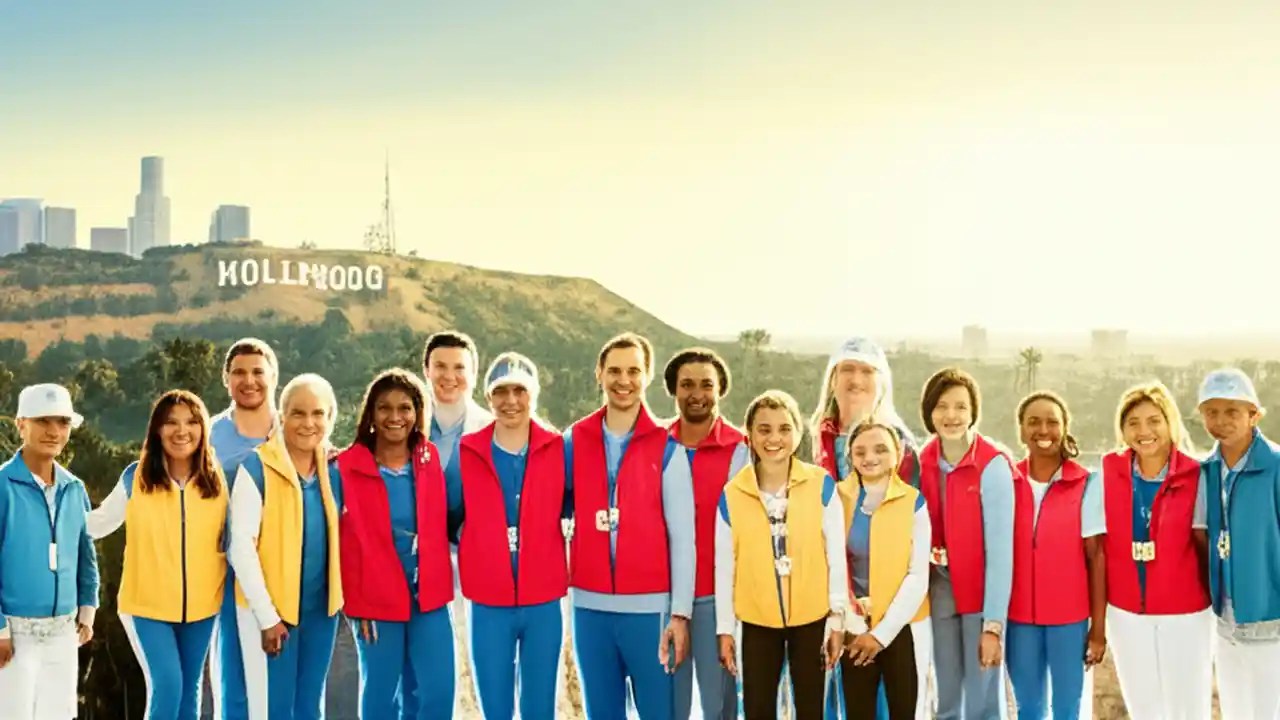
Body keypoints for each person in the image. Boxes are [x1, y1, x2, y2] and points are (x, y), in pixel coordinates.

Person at [563, 332, 695, 720]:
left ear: (647, 376)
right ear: (599, 374)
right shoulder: (574, 440)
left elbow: (683, 539)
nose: (624, 380)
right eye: (615, 371)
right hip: (589, 608)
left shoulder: (668, 447)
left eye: (634, 371)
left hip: (650, 611)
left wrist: (680, 614)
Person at [88, 389, 228, 720]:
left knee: (190, 692)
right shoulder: (135, 477)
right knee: (168, 685)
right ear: (157, 430)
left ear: (203, 428)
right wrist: (47, 516)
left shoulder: (216, 480)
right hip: (146, 606)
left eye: (191, 422)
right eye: (171, 422)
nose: (182, 431)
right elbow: (96, 524)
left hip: (203, 606)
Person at [809, 336, 925, 720]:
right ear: (833, 379)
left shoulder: (901, 448)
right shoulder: (813, 441)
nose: (856, 379)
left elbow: (909, 537)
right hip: (823, 599)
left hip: (888, 609)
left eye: (866, 371)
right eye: (847, 369)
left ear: (881, 382)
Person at [714, 389, 847, 720]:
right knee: (757, 709)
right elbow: (725, 568)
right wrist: (725, 628)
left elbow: (835, 556)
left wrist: (837, 617)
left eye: (784, 429)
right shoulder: (732, 494)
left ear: (798, 433)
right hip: (757, 621)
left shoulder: (821, 485)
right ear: (749, 434)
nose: (774, 438)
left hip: (812, 618)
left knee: (811, 709)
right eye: (764, 429)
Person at [449, 352, 568, 719]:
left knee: (539, 708)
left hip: (543, 600)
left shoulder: (558, 448)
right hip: (488, 602)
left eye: (520, 390)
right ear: (488, 397)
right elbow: (450, 514)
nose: (511, 400)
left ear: (533, 394)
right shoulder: (468, 451)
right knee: (495, 708)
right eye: (501, 391)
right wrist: (480, 549)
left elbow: (573, 503)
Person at [334, 368, 457, 719]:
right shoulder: (344, 467)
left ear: (418, 413)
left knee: (437, 692)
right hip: (375, 601)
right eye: (384, 408)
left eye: (405, 408)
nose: (395, 416)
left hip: (428, 596)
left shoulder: (428, 459)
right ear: (371, 415)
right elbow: (338, 542)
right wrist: (356, 604)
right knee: (381, 696)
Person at [228, 374, 344, 720]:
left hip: (320, 614)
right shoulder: (256, 467)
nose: (308, 423)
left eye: (318, 413)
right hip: (269, 615)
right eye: (298, 413)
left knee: (310, 707)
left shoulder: (334, 471)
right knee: (271, 710)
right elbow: (241, 549)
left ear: (330, 418)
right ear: (282, 416)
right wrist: (267, 617)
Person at [1100, 382, 1211, 720]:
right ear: (1122, 429)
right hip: (1126, 613)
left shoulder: (1196, 475)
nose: (1144, 431)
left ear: (1169, 423)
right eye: (1133, 423)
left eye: (1153, 421)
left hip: (1185, 613)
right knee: (1143, 707)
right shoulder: (1108, 471)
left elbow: (1205, 544)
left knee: (1187, 707)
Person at [916, 368, 1014, 720]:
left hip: (981, 595)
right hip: (940, 590)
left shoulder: (992, 465)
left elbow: (1002, 554)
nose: (951, 415)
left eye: (961, 406)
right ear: (929, 411)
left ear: (973, 412)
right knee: (947, 699)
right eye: (942, 406)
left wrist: (993, 626)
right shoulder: (921, 461)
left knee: (982, 702)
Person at [0, 383, 99, 720]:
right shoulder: (2, 486)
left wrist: (87, 610)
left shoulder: (75, 488)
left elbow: (86, 555)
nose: (54, 431)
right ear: (21, 424)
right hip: (14, 633)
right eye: (43, 421)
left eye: (62, 422)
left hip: (64, 633)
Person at [1006, 391, 1106, 720]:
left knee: (1066, 710)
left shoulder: (1086, 483)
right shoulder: (1006, 480)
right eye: (1033, 422)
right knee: (1028, 709)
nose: (1043, 430)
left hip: (1070, 620)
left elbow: (1096, 559)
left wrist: (1097, 629)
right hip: (1019, 619)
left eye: (1052, 422)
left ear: (1064, 428)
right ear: (1021, 430)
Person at [664, 347, 749, 720]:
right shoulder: (657, 445)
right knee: (669, 707)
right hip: (665, 600)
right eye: (687, 385)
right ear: (673, 390)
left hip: (720, 600)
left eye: (706, 385)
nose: (696, 394)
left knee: (721, 708)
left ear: (720, 390)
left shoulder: (740, 449)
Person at [1197, 368, 1280, 719]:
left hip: (1271, 622)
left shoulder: (1276, 467)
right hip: (1226, 622)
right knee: (1235, 712)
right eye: (1211, 412)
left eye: (1232, 411)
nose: (1221, 421)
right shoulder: (1207, 470)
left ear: (1254, 414)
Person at [838, 420, 931, 720]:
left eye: (880, 449)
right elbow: (831, 564)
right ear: (850, 456)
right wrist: (853, 621)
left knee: (905, 710)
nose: (870, 457)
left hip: (903, 625)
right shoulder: (836, 499)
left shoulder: (914, 502)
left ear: (897, 453)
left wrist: (880, 635)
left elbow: (917, 576)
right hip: (854, 626)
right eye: (860, 451)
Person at [208, 338, 280, 720]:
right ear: (226, 379)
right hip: (226, 572)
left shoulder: (293, 429)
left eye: (257, 372)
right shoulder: (208, 435)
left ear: (273, 376)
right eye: (238, 372)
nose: (248, 381)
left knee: (281, 678)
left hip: (283, 568)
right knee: (232, 678)